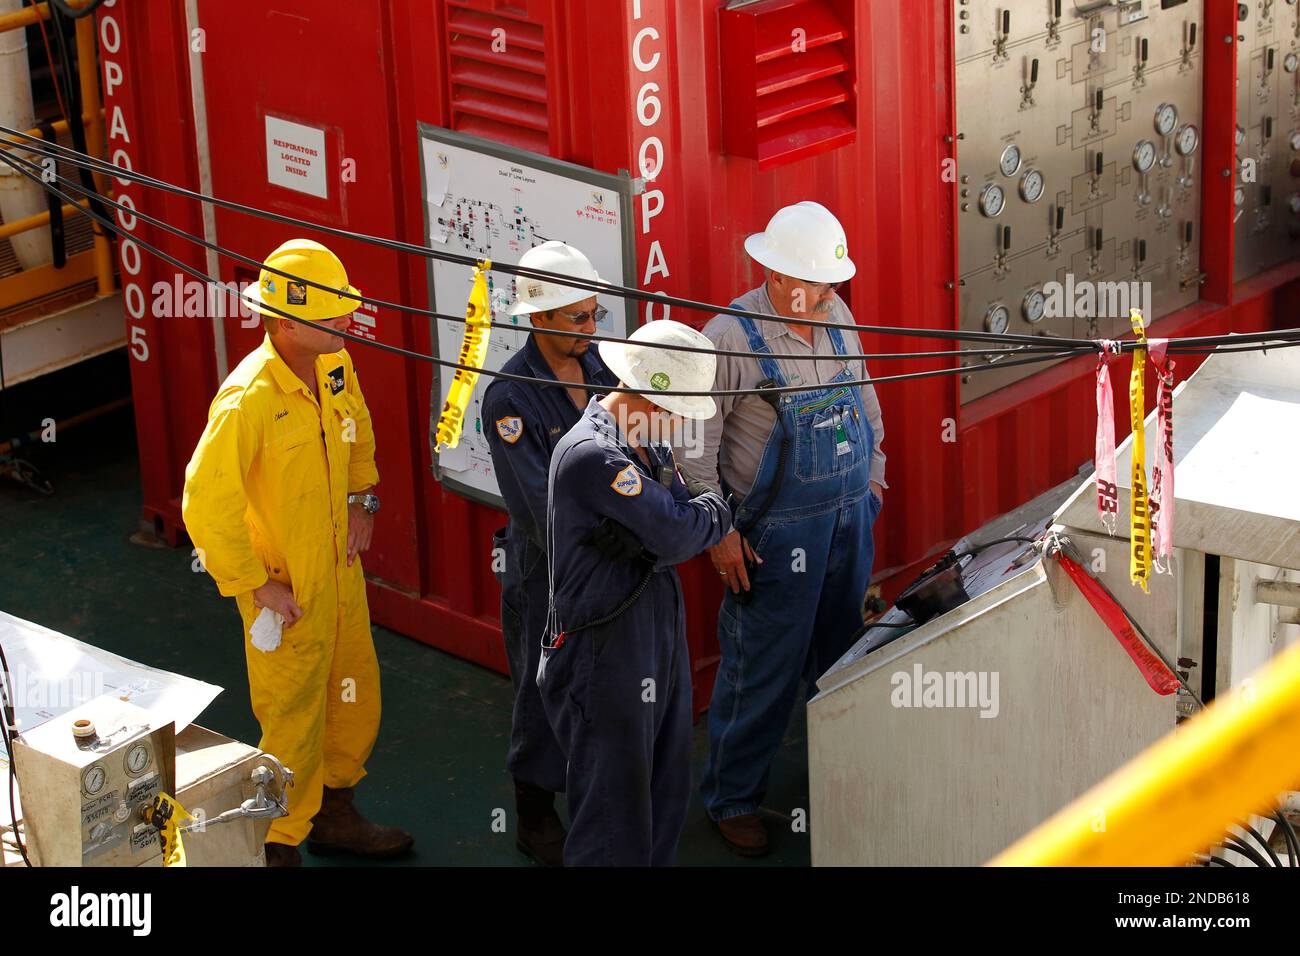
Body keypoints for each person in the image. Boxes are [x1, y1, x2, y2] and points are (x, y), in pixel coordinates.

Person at [182, 239, 413, 867]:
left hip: (340, 576)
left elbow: (357, 428)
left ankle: (335, 814)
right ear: (285, 321)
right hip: (285, 590)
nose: (347, 320)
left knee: (353, 692)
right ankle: (278, 845)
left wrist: (365, 499)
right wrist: (255, 584)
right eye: (332, 312)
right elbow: (206, 501)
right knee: (291, 718)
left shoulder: (335, 366)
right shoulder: (248, 400)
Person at [682, 202, 887, 857]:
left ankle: (846, 775)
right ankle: (732, 799)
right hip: (773, 538)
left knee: (844, 658)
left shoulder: (838, 317)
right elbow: (693, 445)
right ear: (773, 274)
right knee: (761, 671)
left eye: (832, 283)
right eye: (818, 282)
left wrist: (875, 479)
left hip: (850, 521)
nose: (830, 294)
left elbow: (866, 396)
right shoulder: (729, 338)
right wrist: (717, 532)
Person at [539, 320, 732, 866]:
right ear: (651, 397)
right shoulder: (595, 456)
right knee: (613, 817)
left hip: (652, 634)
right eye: (677, 411)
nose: (679, 426)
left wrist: (683, 522)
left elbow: (670, 536)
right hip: (604, 650)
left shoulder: (643, 448)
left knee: (664, 790)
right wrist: (711, 511)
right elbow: (676, 531)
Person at [480, 241, 618, 865]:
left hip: (609, 562)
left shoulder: (603, 373)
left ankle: (598, 802)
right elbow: (539, 504)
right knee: (543, 694)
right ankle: (534, 819)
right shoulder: (510, 397)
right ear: (539, 319)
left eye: (595, 316)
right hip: (544, 573)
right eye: (578, 319)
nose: (592, 330)